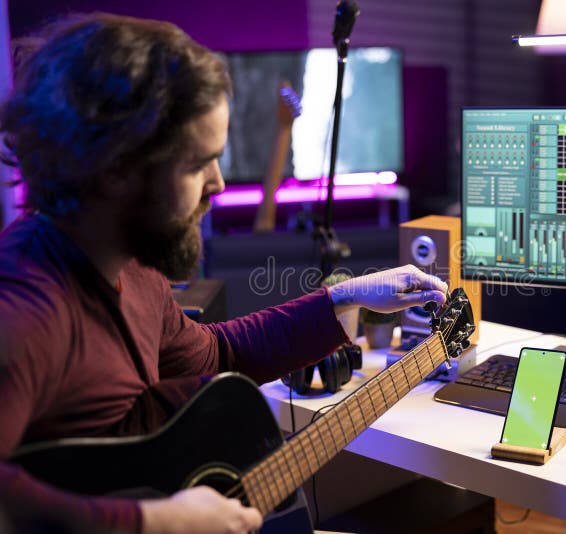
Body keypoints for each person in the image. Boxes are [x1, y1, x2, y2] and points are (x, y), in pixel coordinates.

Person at [0, 13, 448, 534]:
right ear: (117, 169)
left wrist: (345, 296)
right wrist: (155, 522)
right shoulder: (24, 309)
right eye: (198, 164)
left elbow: (217, 356)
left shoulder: (134, 270)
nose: (217, 183)